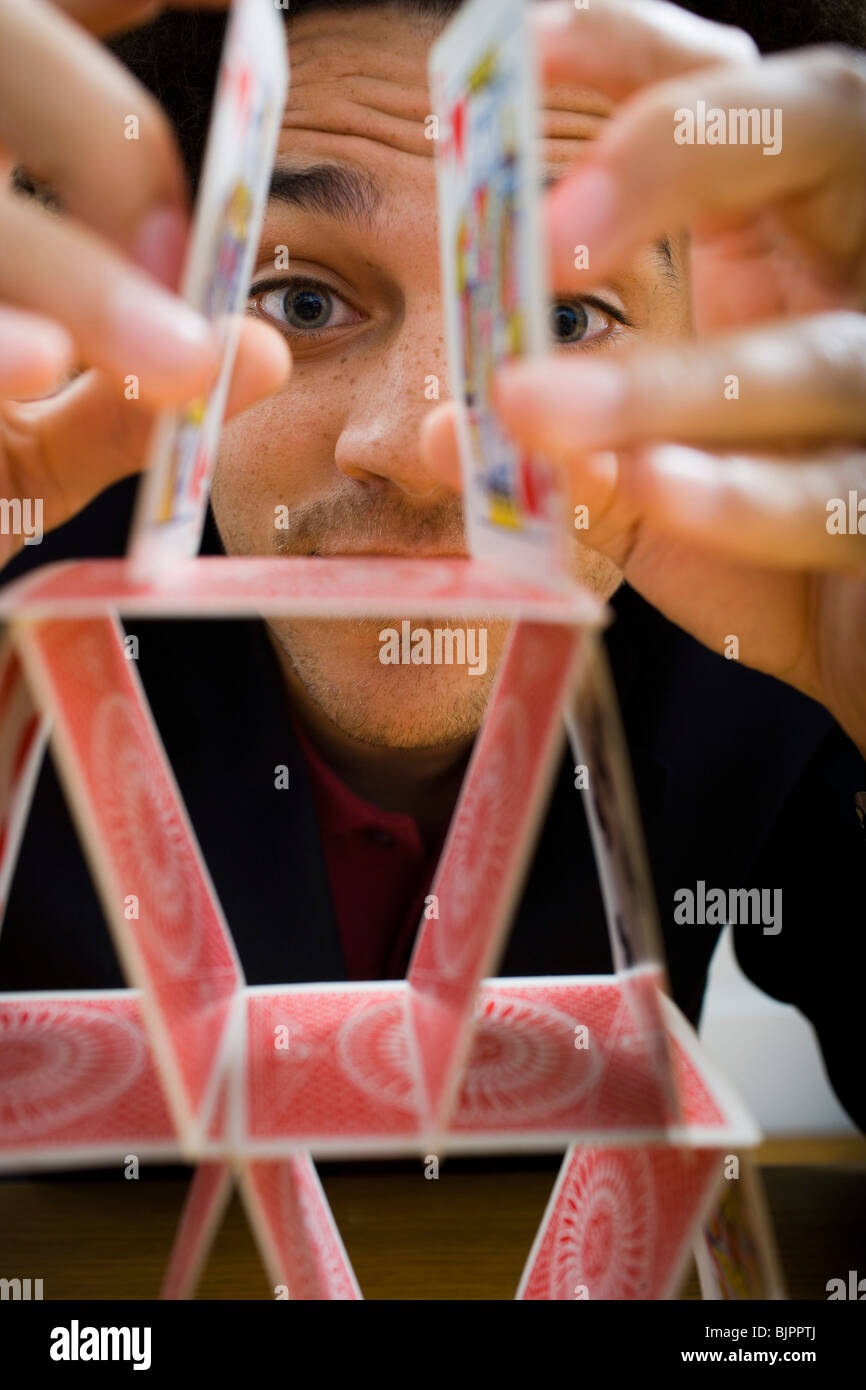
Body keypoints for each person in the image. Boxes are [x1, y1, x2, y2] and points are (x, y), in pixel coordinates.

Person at [0, 0, 863, 1130]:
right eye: (300, 301)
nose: (416, 452)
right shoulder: (34, 543)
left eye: (560, 317)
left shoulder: (780, 598)